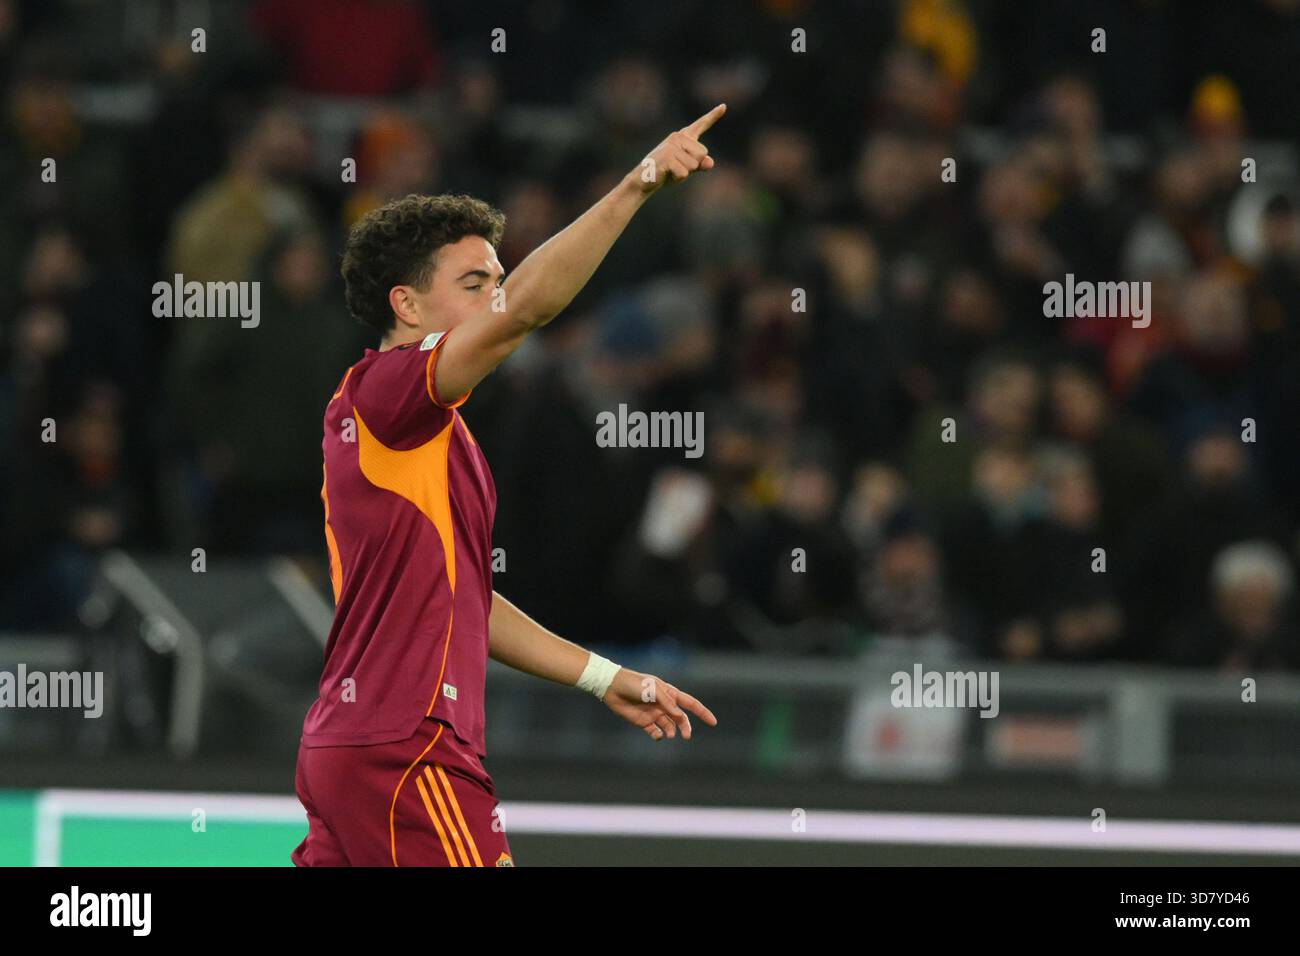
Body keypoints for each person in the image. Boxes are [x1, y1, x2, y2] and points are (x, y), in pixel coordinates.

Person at [291, 105, 727, 867]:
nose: (496, 294)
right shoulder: (388, 392)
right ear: (407, 304)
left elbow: (462, 598)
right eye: (474, 281)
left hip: (356, 749)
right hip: (409, 749)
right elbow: (528, 306)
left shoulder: (425, 427)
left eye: (497, 275)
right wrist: (637, 183)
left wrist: (604, 676)